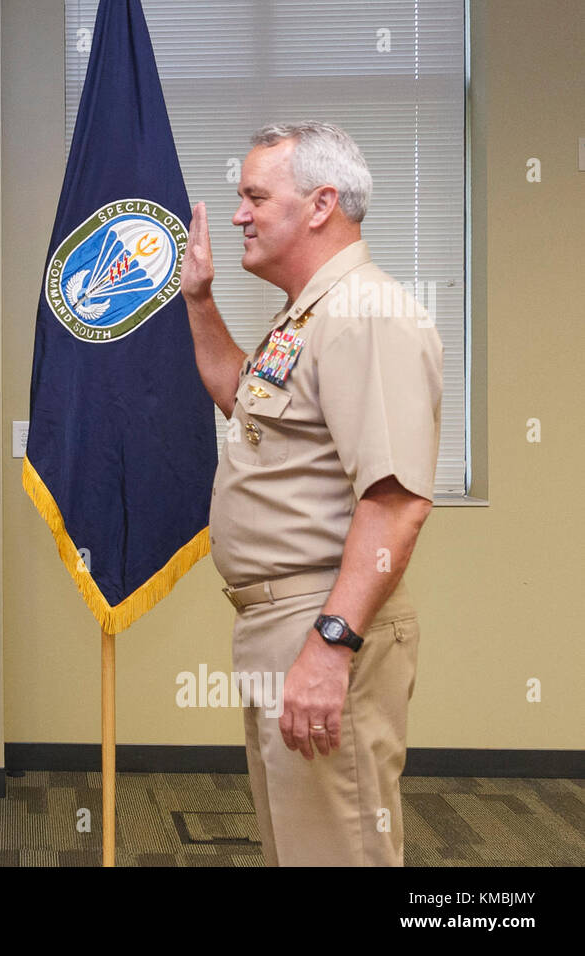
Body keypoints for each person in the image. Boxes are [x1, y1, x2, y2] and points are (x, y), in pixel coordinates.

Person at [181, 121, 442, 866]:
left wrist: (331, 647)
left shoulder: (367, 316)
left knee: (338, 851)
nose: (238, 215)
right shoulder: (312, 314)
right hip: (283, 623)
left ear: (322, 203)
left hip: (323, 622)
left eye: (255, 196)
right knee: (302, 849)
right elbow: (245, 399)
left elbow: (396, 502)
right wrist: (199, 301)